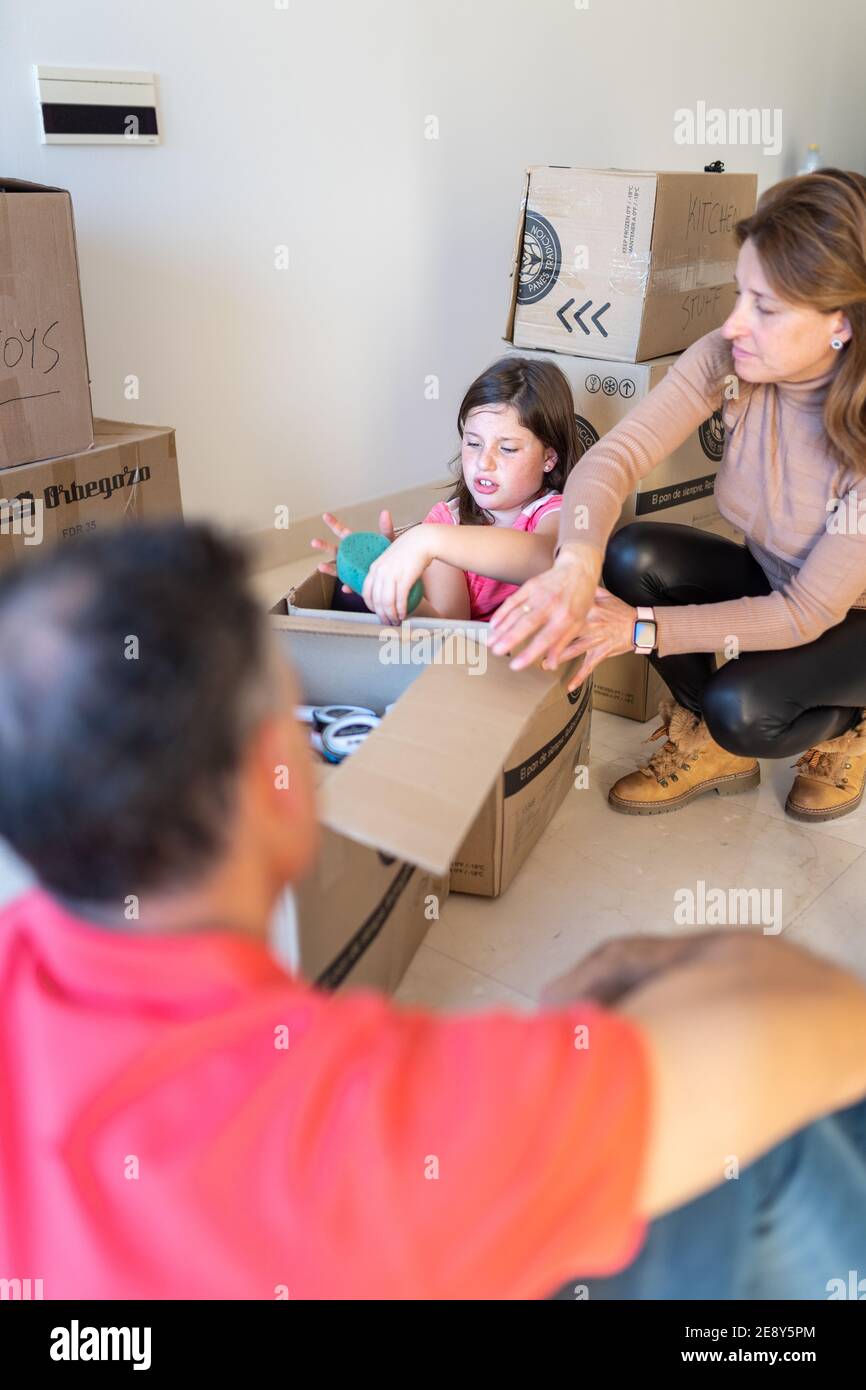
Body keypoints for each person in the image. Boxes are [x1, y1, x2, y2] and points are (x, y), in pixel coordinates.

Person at [0, 522, 865, 1300]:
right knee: (776, 1146)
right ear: (278, 778)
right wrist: (645, 965)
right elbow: (827, 1019)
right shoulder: (377, 1133)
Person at [486, 169, 866, 824]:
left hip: (848, 617)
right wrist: (576, 562)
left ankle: (850, 728)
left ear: (842, 324)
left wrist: (637, 630)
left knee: (741, 709)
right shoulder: (730, 360)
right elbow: (616, 457)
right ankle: (714, 747)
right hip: (777, 579)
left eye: (766, 308)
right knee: (627, 554)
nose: (735, 324)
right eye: (741, 294)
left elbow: (807, 613)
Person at [311, 356, 581, 626]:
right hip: (472, 658)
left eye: (507, 449)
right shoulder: (447, 521)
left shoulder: (554, 510)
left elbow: (547, 558)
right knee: (346, 597)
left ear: (549, 458)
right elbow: (452, 623)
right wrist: (402, 596)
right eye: (474, 443)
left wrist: (428, 540)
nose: (483, 462)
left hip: (529, 657)